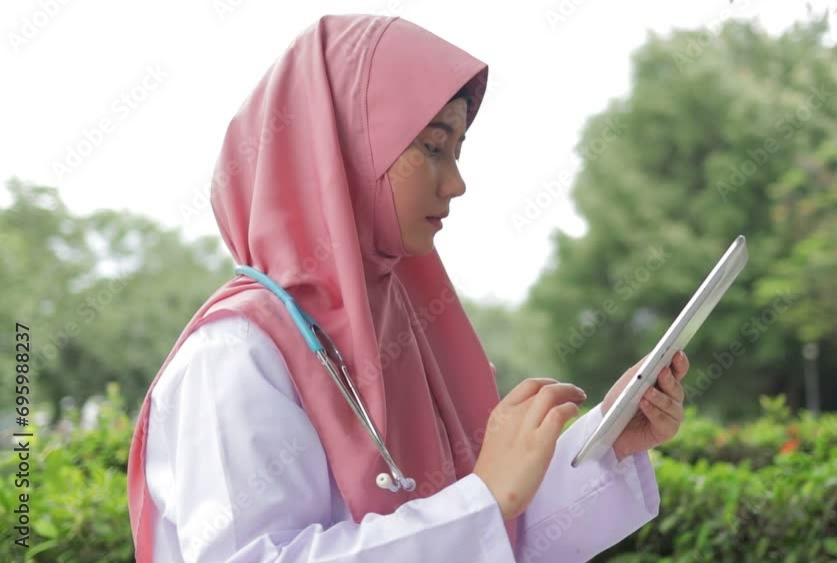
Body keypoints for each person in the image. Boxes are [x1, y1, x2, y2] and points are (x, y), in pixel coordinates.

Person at [126, 14, 689, 563]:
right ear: (342, 148)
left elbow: (496, 541)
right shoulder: (235, 353)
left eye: (458, 149)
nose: (458, 182)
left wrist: (604, 446)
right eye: (433, 147)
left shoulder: (405, 325)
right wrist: (485, 500)